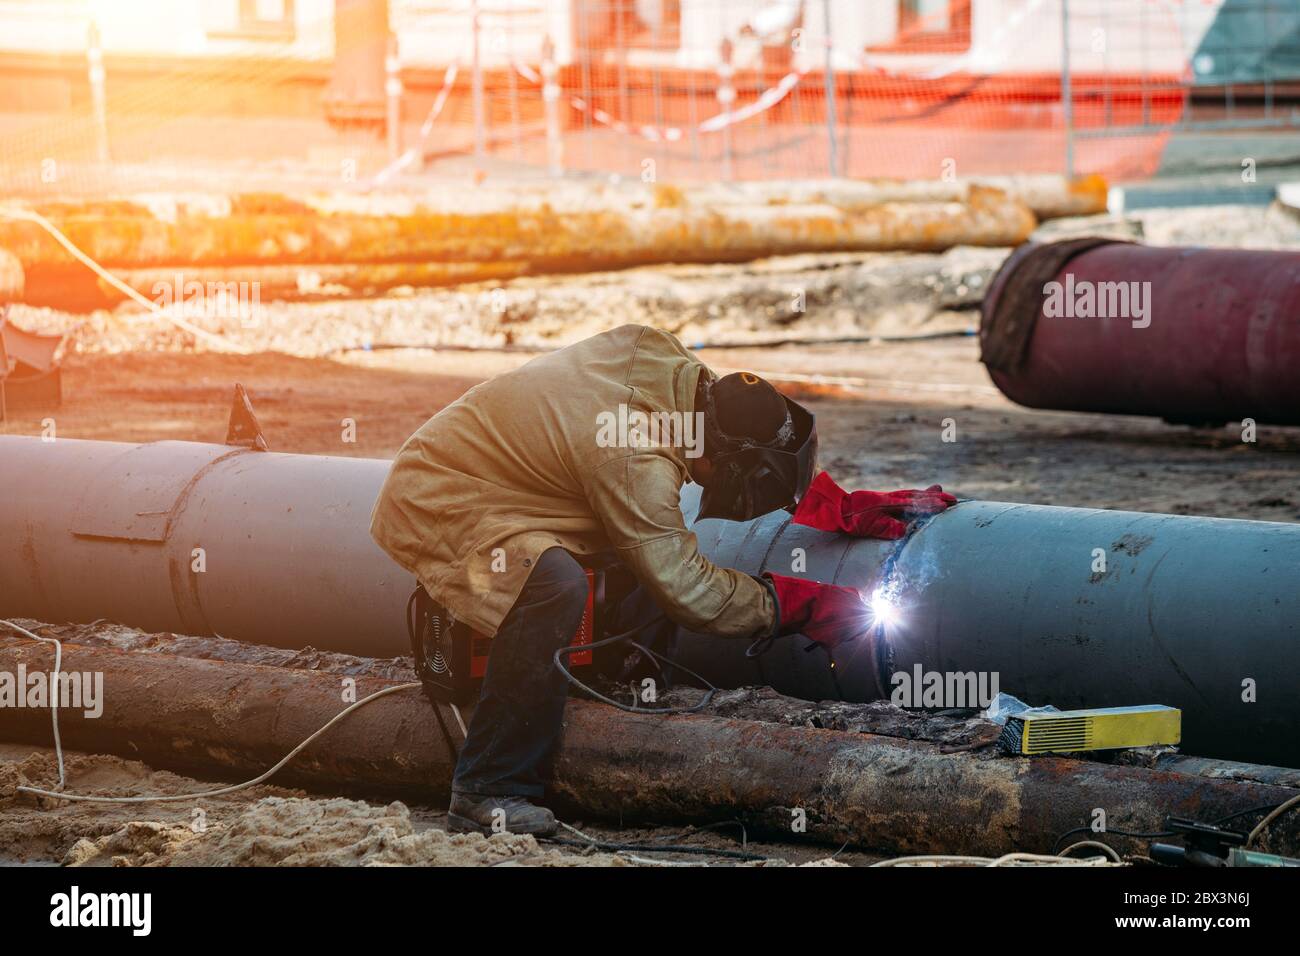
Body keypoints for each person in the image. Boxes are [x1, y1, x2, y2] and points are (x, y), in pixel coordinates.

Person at [370, 325, 955, 835]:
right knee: (554, 586)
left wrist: (827, 503)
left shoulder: (668, 366)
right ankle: (488, 787)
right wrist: (791, 605)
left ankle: (594, 684)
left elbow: (746, 428)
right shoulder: (633, 455)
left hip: (516, 481)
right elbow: (686, 590)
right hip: (442, 490)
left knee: (626, 560)